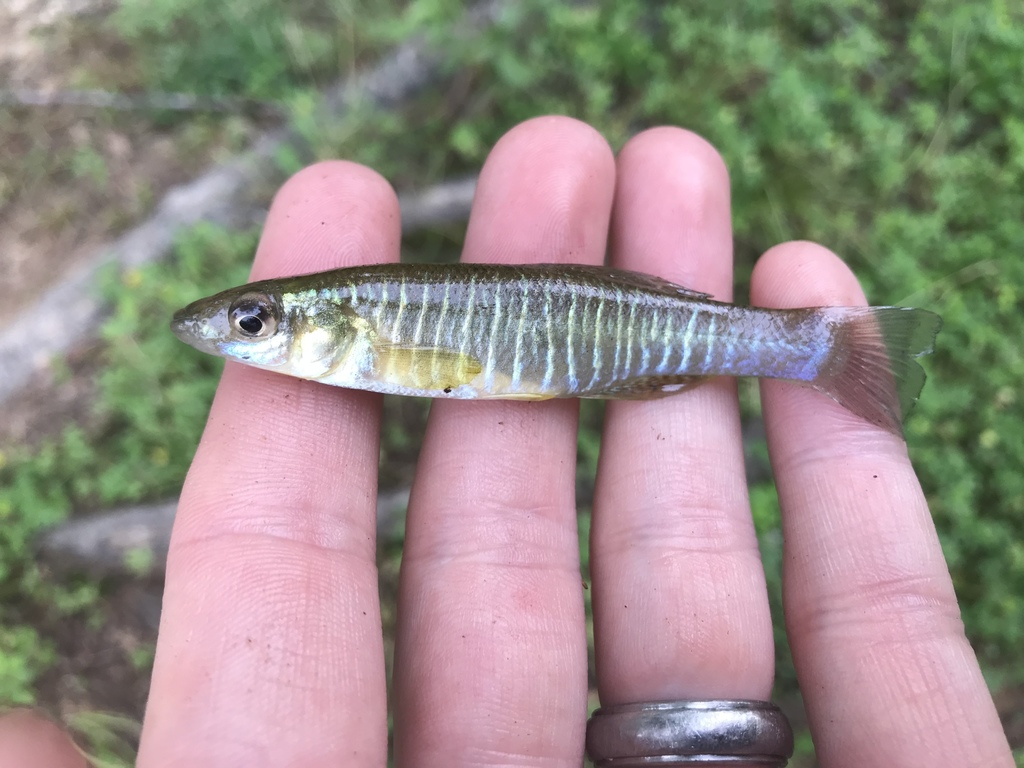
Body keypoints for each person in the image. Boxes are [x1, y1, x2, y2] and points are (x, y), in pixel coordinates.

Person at [1, 118, 1012, 767]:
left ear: (325, 325)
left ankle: (823, 349)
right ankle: (817, 348)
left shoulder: (360, 320)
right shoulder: (345, 329)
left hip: (614, 336)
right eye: (248, 324)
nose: (232, 338)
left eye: (255, 323)